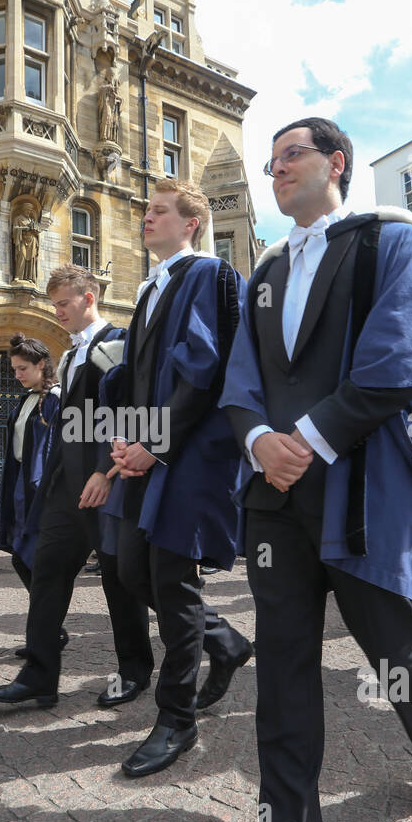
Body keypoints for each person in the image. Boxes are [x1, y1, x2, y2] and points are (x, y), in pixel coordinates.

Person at [221, 117, 412, 822]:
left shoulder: (393, 240)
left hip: (363, 492)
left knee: (396, 651)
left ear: (335, 162)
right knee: (281, 666)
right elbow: (240, 376)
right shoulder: (267, 271)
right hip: (273, 499)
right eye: (270, 161)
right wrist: (256, 440)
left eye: (291, 156)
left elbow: (398, 360)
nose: (275, 170)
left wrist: (301, 442)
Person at [104, 179, 253, 777]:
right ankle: (225, 642)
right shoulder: (152, 290)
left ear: (191, 223)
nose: (147, 218)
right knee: (130, 570)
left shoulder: (208, 275)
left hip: (190, 456)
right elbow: (143, 380)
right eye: (145, 210)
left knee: (170, 581)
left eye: (160, 211)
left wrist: (155, 444)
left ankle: (176, 720)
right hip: (150, 452)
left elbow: (206, 369)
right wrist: (127, 436)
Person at [0, 266, 152, 709]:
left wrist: (103, 471)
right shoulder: (71, 354)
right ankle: (40, 674)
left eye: (63, 303)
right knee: (47, 573)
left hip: (105, 485)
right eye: (53, 303)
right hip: (64, 489)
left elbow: (128, 413)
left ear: (89, 298)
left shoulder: (116, 341)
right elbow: (68, 428)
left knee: (119, 582)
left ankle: (134, 669)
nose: (56, 312)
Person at [0, 333, 67, 658]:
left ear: (41, 365)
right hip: (20, 488)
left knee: (37, 561)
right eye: (14, 369)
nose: (18, 375)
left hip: (45, 493)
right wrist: (1, 499)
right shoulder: (24, 401)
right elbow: (15, 453)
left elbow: (58, 452)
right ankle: (49, 631)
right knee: (22, 557)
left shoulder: (56, 400)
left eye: (23, 368)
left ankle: (46, 635)